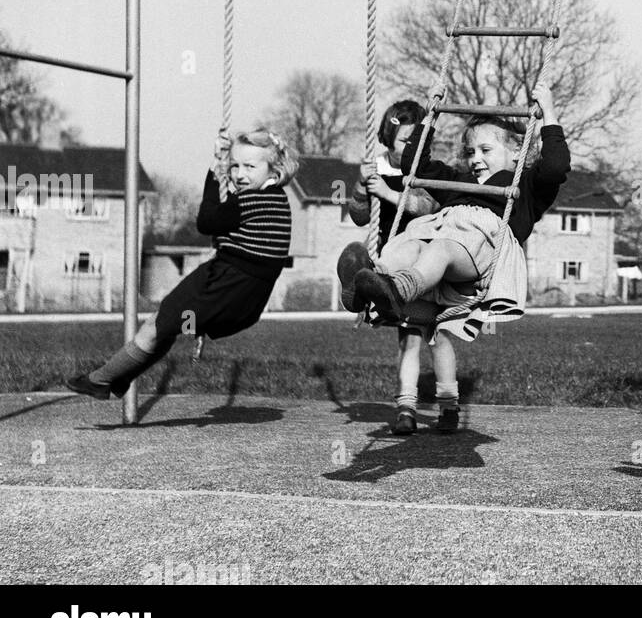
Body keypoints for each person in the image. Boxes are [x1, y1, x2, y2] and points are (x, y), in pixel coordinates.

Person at [345, 83, 570, 404]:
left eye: (485, 150)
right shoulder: (458, 183)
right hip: (443, 234)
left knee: (441, 246)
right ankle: (367, 286)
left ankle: (400, 289)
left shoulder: (526, 185)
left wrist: (548, 111)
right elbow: (414, 164)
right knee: (411, 243)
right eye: (470, 152)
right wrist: (431, 114)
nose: (475, 159)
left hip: (481, 248)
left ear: (517, 152)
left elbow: (556, 166)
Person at [66, 128, 296, 400]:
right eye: (235, 166)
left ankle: (101, 380)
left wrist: (214, 170)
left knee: (156, 325)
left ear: (273, 171)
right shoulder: (278, 200)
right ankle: (120, 377)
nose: (239, 174)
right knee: (166, 328)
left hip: (223, 282)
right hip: (245, 296)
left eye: (250, 166)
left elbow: (207, 221)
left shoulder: (250, 200)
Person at [340, 98, 450, 436]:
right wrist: (361, 187)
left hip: (424, 263)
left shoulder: (426, 171)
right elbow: (358, 215)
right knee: (410, 338)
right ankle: (406, 409)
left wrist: (388, 193)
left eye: (418, 142)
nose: (411, 149)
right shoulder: (378, 168)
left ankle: (448, 405)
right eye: (405, 141)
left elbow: (427, 207)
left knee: (441, 337)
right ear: (389, 138)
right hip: (391, 264)